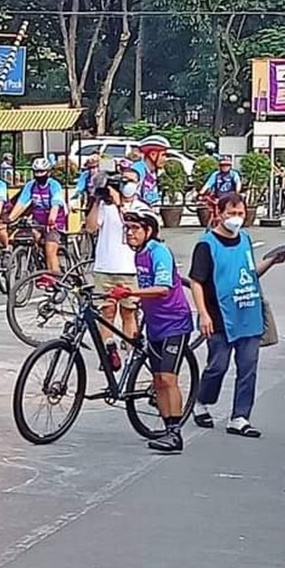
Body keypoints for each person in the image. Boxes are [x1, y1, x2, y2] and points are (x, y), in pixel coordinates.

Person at [189, 193, 285, 437]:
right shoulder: (207, 245)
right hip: (219, 315)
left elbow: (249, 273)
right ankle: (201, 400)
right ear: (219, 214)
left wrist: (272, 261)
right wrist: (203, 314)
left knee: (248, 368)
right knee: (217, 366)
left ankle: (240, 417)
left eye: (240, 213)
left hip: (248, 312)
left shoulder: (245, 239)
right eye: (231, 213)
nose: (236, 218)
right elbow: (196, 281)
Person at [109, 208, 194, 453]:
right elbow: (148, 289)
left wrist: (130, 292)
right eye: (127, 228)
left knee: (168, 378)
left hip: (175, 322)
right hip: (155, 324)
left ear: (149, 231)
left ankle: (175, 434)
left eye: (135, 229)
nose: (130, 233)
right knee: (157, 380)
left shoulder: (159, 252)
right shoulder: (140, 254)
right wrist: (138, 306)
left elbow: (163, 288)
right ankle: (167, 430)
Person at [86, 179, 138, 370]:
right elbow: (90, 228)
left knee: (128, 313)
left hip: (128, 269)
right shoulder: (105, 207)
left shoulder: (139, 207)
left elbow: (130, 226)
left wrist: (119, 204)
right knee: (106, 313)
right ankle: (108, 353)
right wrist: (96, 200)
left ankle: (132, 357)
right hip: (104, 268)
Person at [6, 157, 67, 276]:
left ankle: (56, 279)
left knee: (50, 250)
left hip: (55, 221)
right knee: (30, 238)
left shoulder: (54, 185)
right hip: (37, 220)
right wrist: (10, 219)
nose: (39, 175)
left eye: (42, 172)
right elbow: (21, 203)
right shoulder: (30, 185)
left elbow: (56, 204)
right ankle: (38, 262)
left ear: (48, 172)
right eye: (36, 172)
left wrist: (51, 219)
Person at [132, 135, 171, 207]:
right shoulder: (137, 170)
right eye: (163, 155)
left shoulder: (153, 172)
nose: (165, 159)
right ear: (153, 155)